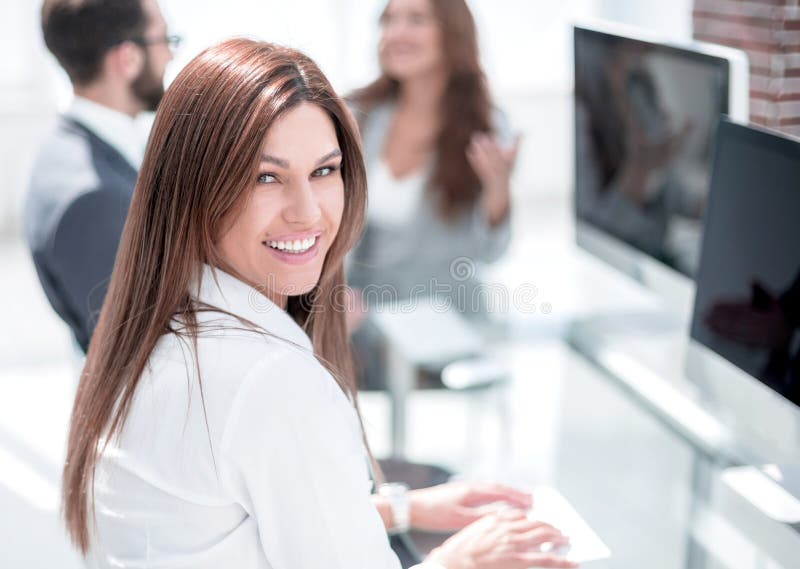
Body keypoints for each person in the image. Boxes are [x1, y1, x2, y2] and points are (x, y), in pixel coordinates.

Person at [61, 39, 576, 569]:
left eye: (324, 171)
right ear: (194, 190)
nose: (307, 213)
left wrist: (403, 507)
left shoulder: (156, 324)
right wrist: (462, 561)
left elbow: (233, 517)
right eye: (267, 177)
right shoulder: (269, 382)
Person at [346, 0, 518, 389]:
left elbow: (490, 253)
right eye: (388, 21)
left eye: (415, 20)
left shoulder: (486, 126)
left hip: (444, 337)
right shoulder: (357, 115)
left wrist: (498, 192)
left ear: (452, 34)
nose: (395, 33)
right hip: (364, 328)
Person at [25, 0, 176, 351]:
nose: (170, 55)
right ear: (128, 58)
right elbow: (141, 351)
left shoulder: (68, 152)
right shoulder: (92, 199)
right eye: (166, 40)